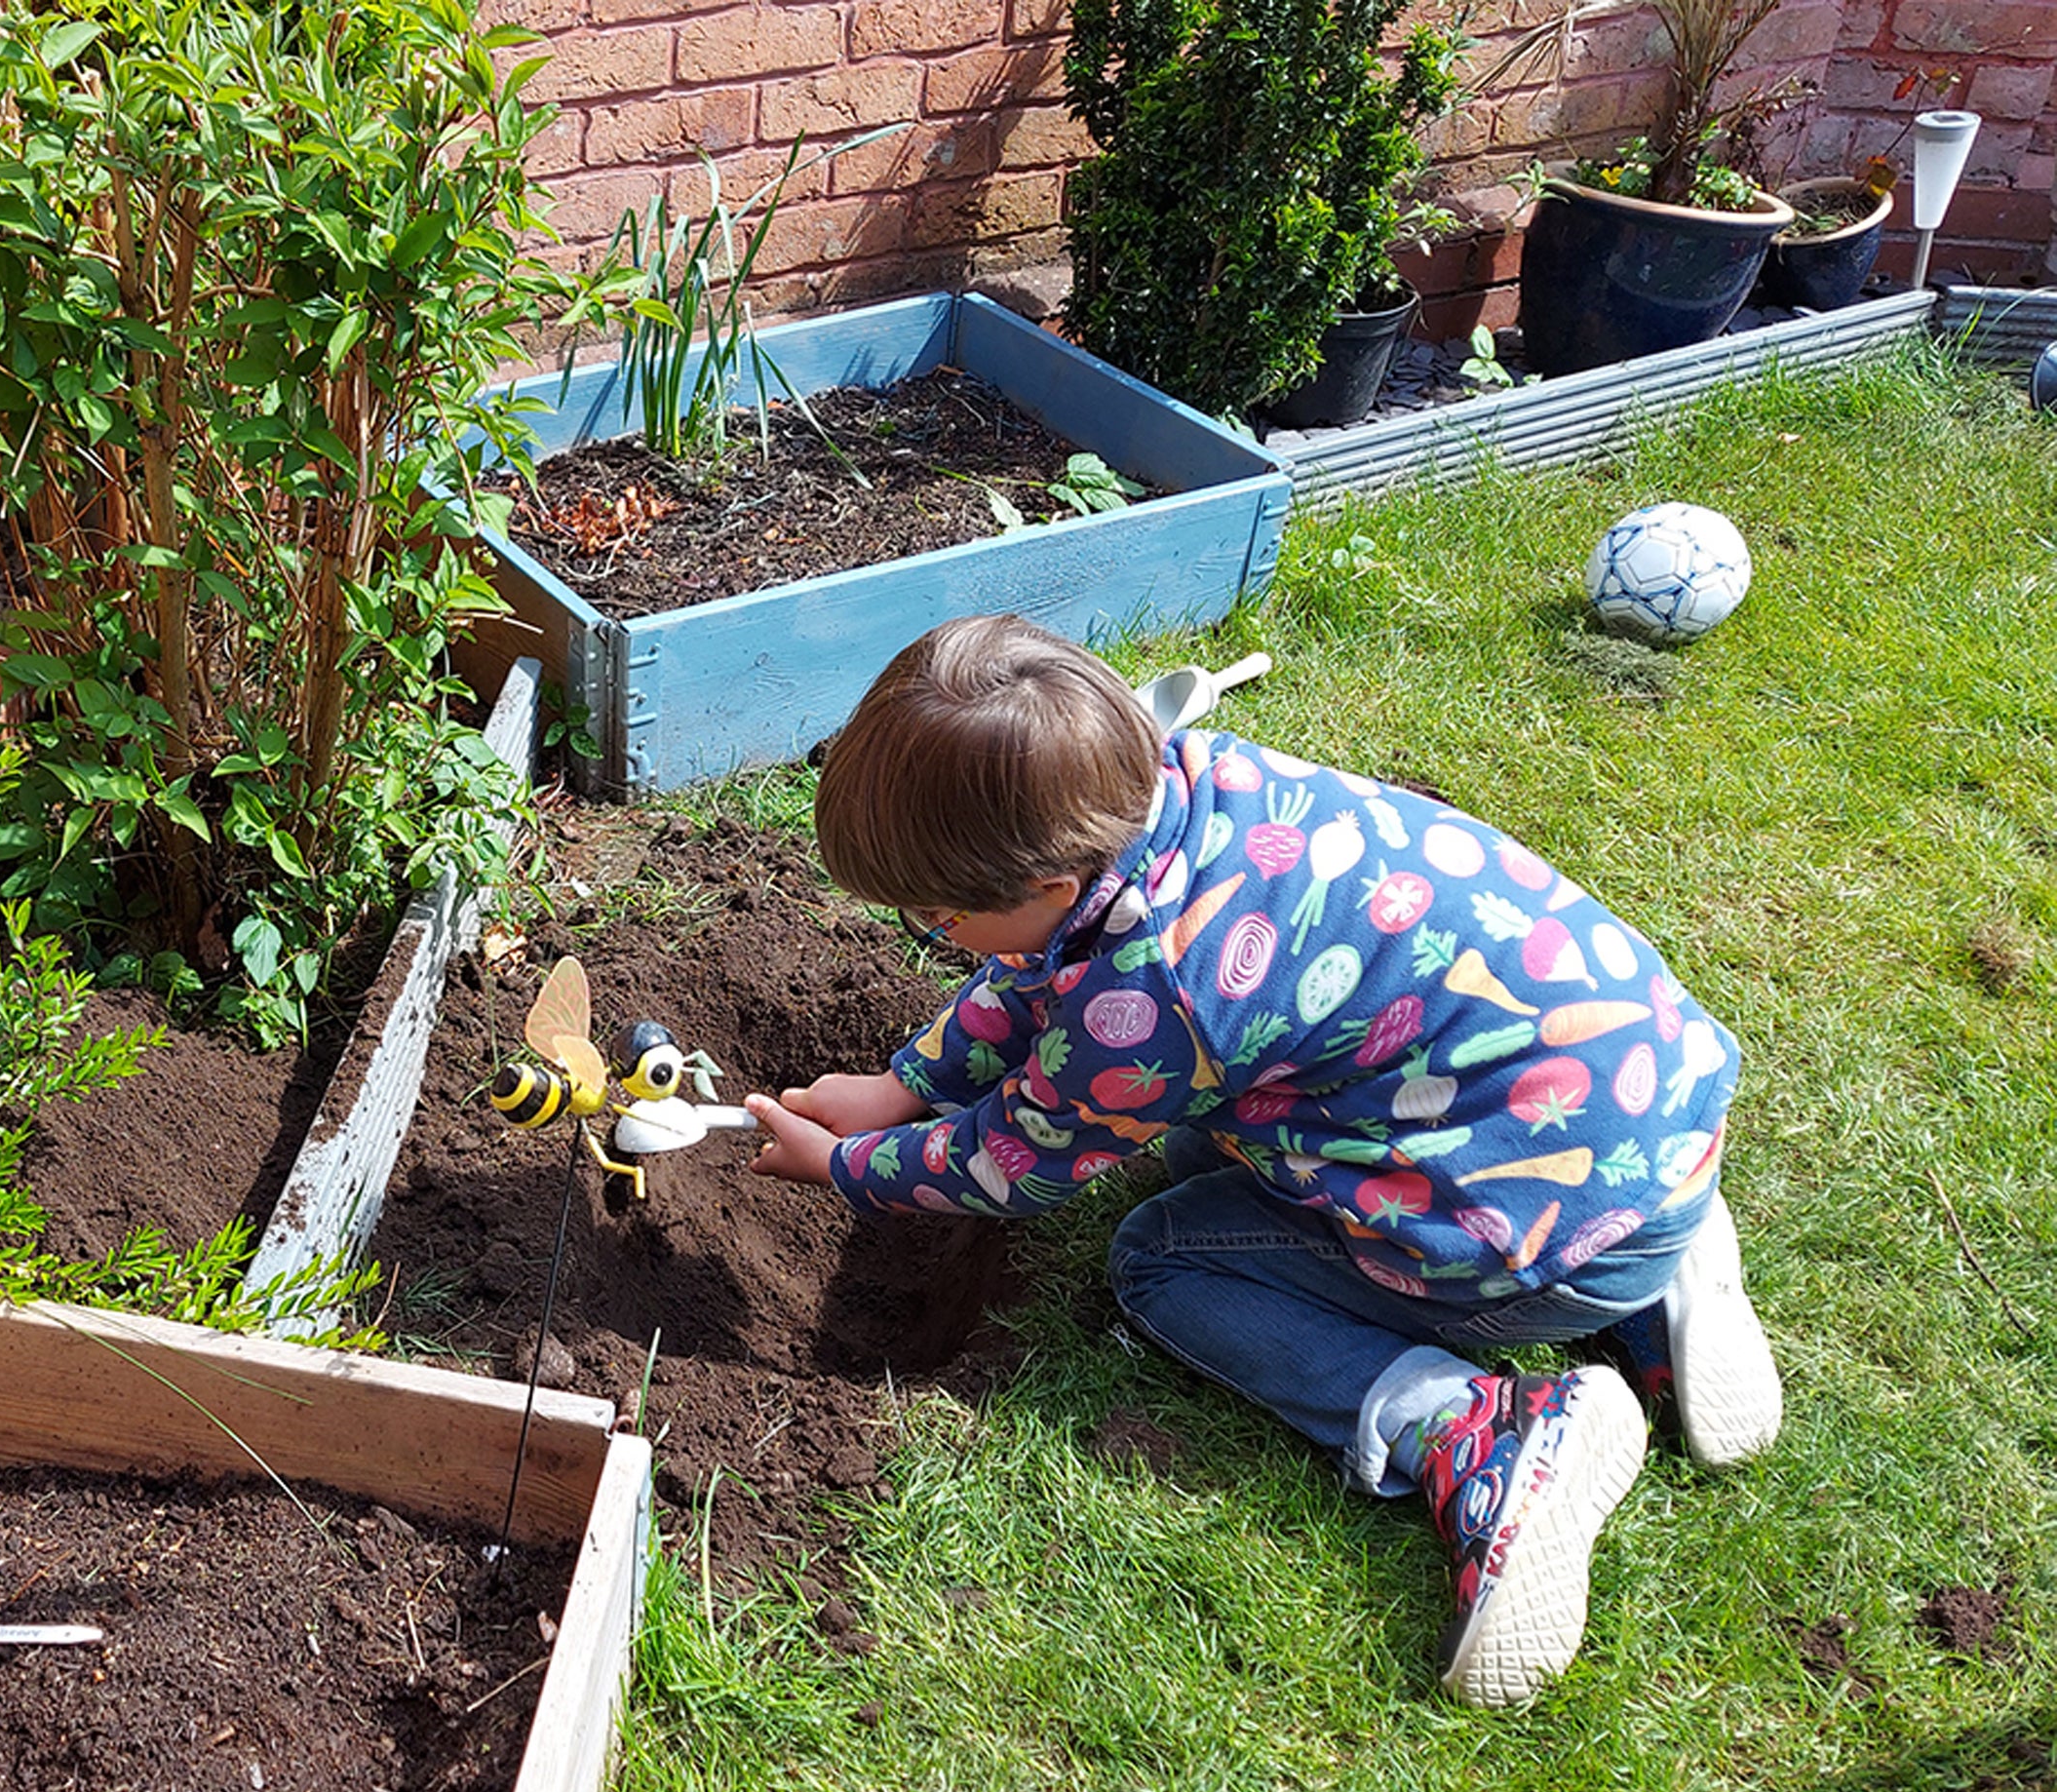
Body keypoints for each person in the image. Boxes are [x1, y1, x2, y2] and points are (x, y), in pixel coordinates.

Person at [745, 613, 1781, 1707]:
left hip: (1536, 1222)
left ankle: (1482, 1431)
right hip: (1629, 1105)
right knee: (1201, 1132)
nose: (932, 933)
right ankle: (1654, 1271)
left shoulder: (1157, 994)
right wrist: (909, 1083)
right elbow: (1039, 968)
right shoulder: (1183, 780)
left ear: (1048, 879)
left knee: (1165, 1260)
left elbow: (1017, 1165)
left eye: (937, 916)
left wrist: (850, 1167)